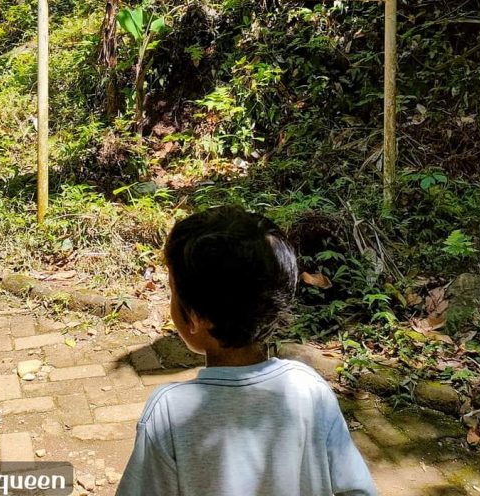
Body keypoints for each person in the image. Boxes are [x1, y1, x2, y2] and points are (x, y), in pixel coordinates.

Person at [116, 206, 377, 496]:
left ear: (194, 317)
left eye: (172, 291)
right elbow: (357, 490)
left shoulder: (168, 411)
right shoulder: (309, 388)